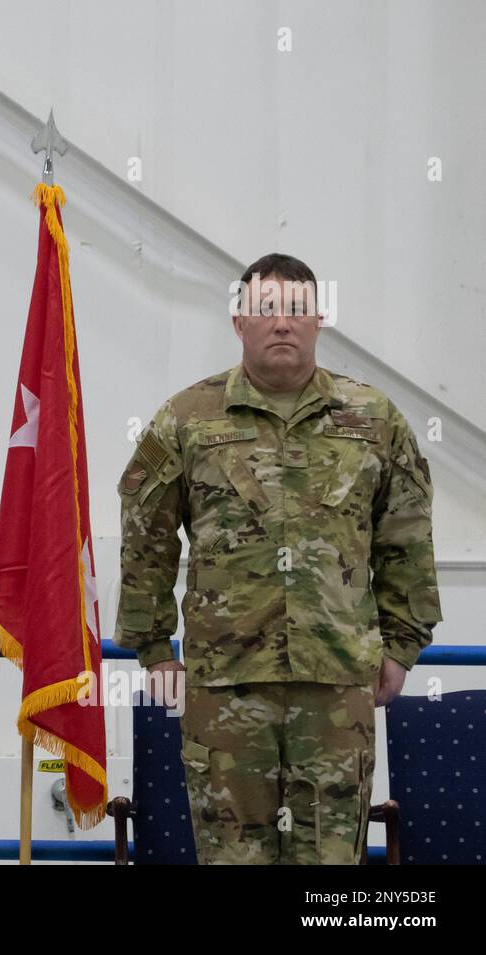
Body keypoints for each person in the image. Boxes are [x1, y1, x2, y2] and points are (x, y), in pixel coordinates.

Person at [115, 252, 441, 864]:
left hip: (337, 686)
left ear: (320, 319)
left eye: (296, 310)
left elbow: (407, 536)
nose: (282, 324)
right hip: (225, 690)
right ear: (240, 321)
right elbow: (145, 535)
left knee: (329, 862)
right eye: (266, 310)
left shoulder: (373, 419)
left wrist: (402, 645)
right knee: (233, 854)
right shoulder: (187, 419)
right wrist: (154, 649)